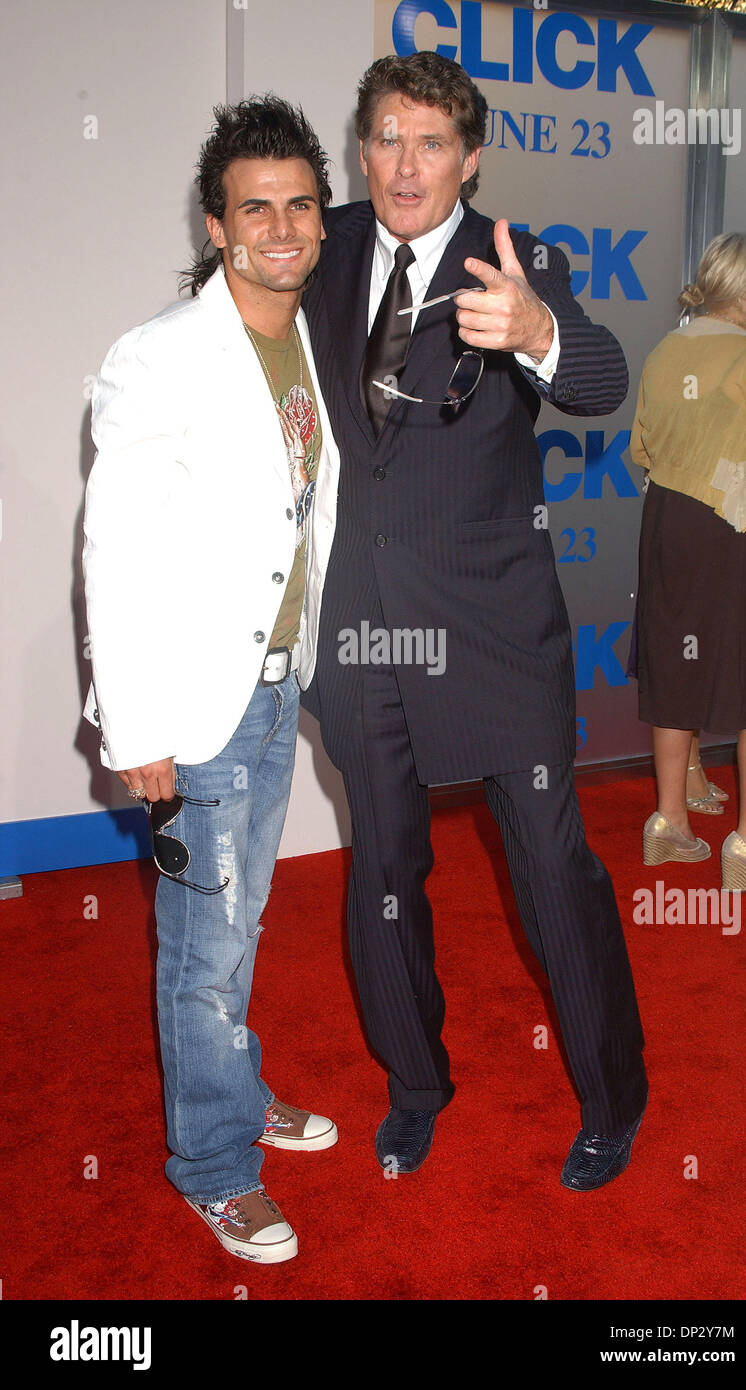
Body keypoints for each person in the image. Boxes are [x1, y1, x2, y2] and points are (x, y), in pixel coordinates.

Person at [302, 51, 648, 1188]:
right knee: (384, 869)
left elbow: (598, 376)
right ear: (362, 147)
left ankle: (610, 1095)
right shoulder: (322, 246)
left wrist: (539, 330)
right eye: (388, 137)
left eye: (432, 142)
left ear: (470, 157)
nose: (407, 164)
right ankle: (414, 1086)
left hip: (496, 628)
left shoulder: (515, 259)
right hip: (362, 632)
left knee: (553, 870)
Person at [82, 97, 341, 1262]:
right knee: (204, 943)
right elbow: (115, 549)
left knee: (240, 922)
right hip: (195, 705)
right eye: (255, 208)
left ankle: (234, 1092)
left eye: (298, 204)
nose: (280, 226)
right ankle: (215, 1164)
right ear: (217, 224)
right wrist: (134, 729)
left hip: (279, 685)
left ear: (319, 218)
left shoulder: (312, 338)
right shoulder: (157, 356)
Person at [629, 232, 746, 893]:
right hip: (737, 528)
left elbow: (639, 451)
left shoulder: (668, 346)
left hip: (667, 522)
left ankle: (668, 822)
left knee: (674, 664)